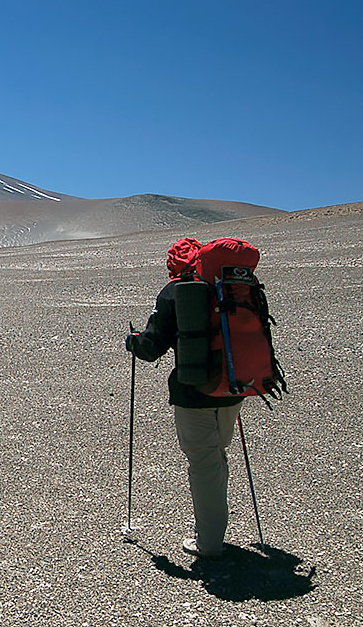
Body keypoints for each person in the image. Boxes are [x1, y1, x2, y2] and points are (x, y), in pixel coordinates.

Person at [124, 238, 244, 559]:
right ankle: (212, 527)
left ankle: (210, 543)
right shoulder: (227, 287)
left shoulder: (174, 292)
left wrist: (133, 342)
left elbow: (151, 347)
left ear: (173, 265)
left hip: (194, 392)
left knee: (204, 462)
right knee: (216, 455)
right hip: (234, 388)